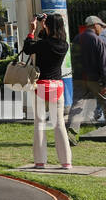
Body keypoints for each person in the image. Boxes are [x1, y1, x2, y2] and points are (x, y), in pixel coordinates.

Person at [66, 15, 106, 139]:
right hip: (95, 79)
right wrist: (105, 83)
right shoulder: (98, 40)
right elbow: (104, 64)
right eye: (101, 26)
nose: (102, 29)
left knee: (77, 105)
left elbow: (73, 59)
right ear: (95, 25)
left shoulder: (77, 39)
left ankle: (71, 131)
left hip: (78, 78)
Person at [23, 14, 72, 168]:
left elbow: (27, 48)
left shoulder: (43, 44)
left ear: (48, 26)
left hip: (41, 85)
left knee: (39, 123)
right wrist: (45, 27)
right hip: (57, 86)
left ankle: (40, 161)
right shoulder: (64, 45)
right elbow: (47, 40)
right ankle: (66, 162)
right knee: (59, 124)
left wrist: (32, 30)